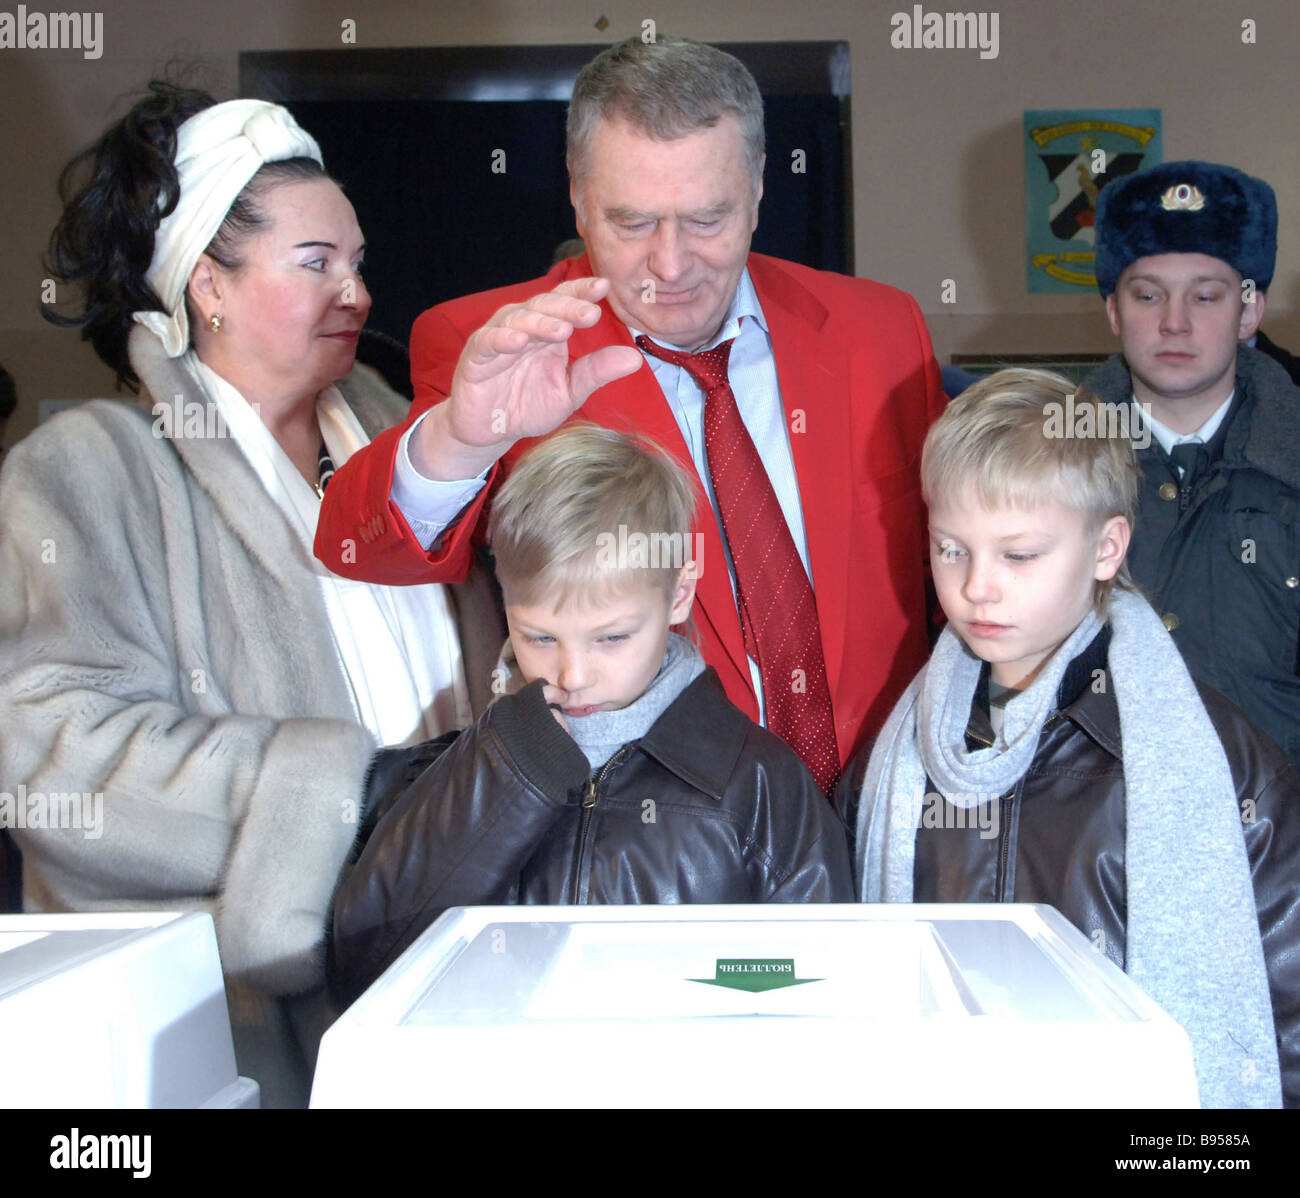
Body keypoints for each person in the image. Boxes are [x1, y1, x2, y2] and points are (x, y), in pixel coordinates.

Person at [0, 82, 501, 1106]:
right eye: (315, 263)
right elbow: (56, 755)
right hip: (242, 1022)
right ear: (205, 287)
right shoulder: (92, 471)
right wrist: (346, 801)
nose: (356, 293)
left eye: (357, 263)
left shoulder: (412, 448)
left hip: (454, 965)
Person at [315, 35, 946, 793]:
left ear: (758, 189)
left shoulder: (880, 329)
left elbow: (949, 568)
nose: (671, 266)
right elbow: (356, 548)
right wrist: (461, 438)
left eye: (707, 219)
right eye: (634, 223)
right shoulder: (496, 342)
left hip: (889, 814)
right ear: (579, 198)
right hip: (651, 839)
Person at [835, 368, 1300, 1108]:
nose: (978, 586)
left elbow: (1281, 1025)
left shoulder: (1222, 764)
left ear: (1108, 547)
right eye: (951, 549)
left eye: (1019, 555)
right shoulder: (894, 756)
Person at [330, 423, 853, 1005]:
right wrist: (509, 772)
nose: (572, 675)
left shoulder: (758, 786)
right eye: (539, 637)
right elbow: (364, 975)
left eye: (610, 638)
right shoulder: (450, 769)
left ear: (679, 593)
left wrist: (688, 1000)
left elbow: (817, 989)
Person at [1085, 160, 1300, 769]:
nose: (1174, 322)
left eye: (1206, 296)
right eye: (1147, 294)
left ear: (1249, 311)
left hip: (1279, 837)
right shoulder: (1046, 462)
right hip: (1096, 833)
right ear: (1114, 312)